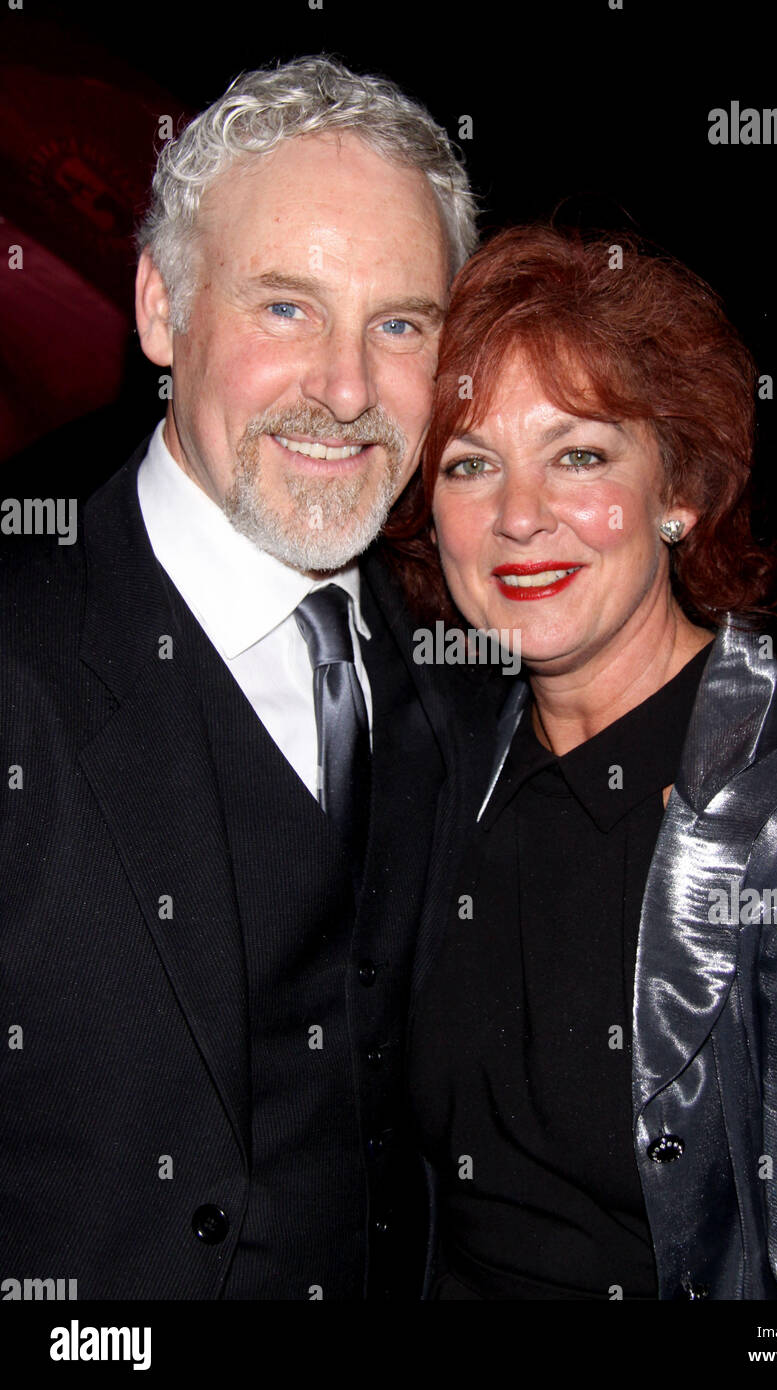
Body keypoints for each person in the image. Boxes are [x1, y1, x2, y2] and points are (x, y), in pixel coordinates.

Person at [0, 55, 503, 1300]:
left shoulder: (472, 670)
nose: (345, 389)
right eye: (286, 307)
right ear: (163, 311)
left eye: (400, 323)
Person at [398, 225, 777, 1300]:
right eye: (471, 464)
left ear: (678, 488)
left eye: (579, 454)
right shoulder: (442, 765)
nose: (519, 516)